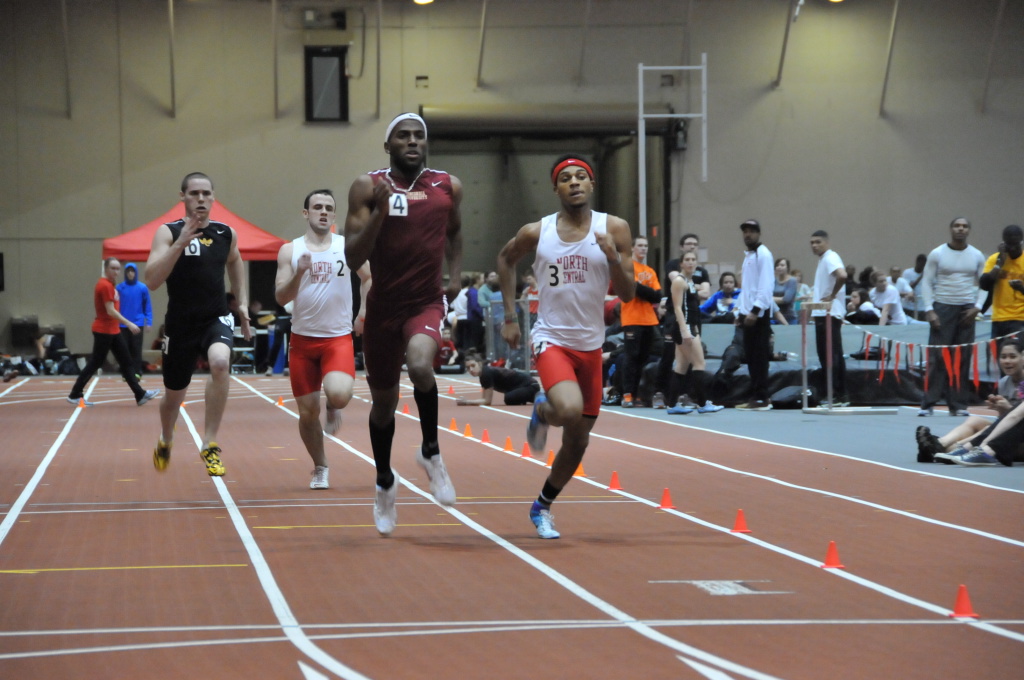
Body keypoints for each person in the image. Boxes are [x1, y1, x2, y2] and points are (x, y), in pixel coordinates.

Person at [497, 154, 634, 539]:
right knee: (569, 409)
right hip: (552, 339)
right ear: (556, 188)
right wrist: (510, 317)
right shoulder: (537, 232)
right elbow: (505, 261)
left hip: (590, 346)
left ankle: (541, 506)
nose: (574, 183)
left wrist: (613, 258)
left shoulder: (615, 229)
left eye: (581, 177)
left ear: (591, 185)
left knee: (577, 443)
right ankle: (545, 407)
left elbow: (627, 294)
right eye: (566, 178)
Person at [344, 112, 463, 536]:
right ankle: (384, 483)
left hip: (425, 303)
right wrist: (378, 212)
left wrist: (454, 275)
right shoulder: (367, 186)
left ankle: (431, 451)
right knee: (382, 405)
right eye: (403, 136)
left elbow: (454, 232)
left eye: (418, 136)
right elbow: (352, 258)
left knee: (420, 364)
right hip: (382, 309)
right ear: (388, 145)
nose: (412, 141)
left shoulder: (447, 186)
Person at [145, 171, 251, 476]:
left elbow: (235, 260)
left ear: (213, 197)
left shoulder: (225, 233)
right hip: (180, 325)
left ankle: (209, 443)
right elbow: (152, 280)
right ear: (183, 197)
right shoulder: (167, 233)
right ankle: (166, 438)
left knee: (220, 363)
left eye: (206, 193)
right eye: (194, 193)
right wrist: (179, 244)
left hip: (215, 317)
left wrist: (241, 303)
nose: (201, 199)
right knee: (173, 395)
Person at [275, 189, 371, 490]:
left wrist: (363, 313)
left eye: (329, 208)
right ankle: (320, 465)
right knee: (307, 413)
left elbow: (369, 277)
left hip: (337, 339)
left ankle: (334, 405)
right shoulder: (290, 251)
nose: (323, 212)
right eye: (317, 207)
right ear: (306, 213)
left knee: (340, 395)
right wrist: (299, 273)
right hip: (302, 342)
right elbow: (281, 297)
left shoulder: (347, 247)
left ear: (334, 215)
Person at [66, 258, 160, 408]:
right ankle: (75, 393)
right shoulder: (104, 286)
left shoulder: (111, 285)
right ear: (106, 269)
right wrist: (129, 323)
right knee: (96, 362)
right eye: (113, 269)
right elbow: (110, 310)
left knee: (126, 361)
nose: (116, 272)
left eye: (118, 269)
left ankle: (140, 394)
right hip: (104, 330)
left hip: (113, 330)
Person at [918, 217, 986, 417]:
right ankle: (928, 403)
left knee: (962, 358)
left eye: (965, 226)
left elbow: (985, 285)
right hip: (942, 307)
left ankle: (958, 405)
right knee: (937, 357)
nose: (961, 229)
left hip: (966, 309)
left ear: (969, 231)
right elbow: (927, 282)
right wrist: (930, 310)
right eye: (957, 225)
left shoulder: (976, 255)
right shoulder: (937, 253)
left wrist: (977, 308)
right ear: (951, 229)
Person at [918, 338, 1024, 463]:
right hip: (1010, 432)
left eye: (1012, 357)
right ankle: (941, 442)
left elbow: (1016, 418)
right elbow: (1005, 420)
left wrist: (1008, 409)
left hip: (1017, 440)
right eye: (1003, 357)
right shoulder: (1003, 383)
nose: (1007, 361)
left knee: (986, 431)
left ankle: (948, 449)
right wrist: (1000, 409)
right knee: (976, 420)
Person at [667, 250, 723, 414]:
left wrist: (695, 327)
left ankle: (671, 404)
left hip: (691, 326)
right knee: (699, 364)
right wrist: (685, 330)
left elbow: (693, 306)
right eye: (687, 260)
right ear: (681, 264)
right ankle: (703, 403)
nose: (690, 262)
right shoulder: (679, 281)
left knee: (681, 367)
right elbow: (677, 307)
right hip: (684, 327)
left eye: (693, 260)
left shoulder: (690, 282)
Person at [735, 220, 775, 411]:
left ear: (759, 233)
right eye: (745, 232)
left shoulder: (763, 254)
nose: (747, 235)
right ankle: (755, 395)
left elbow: (765, 286)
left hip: (758, 314)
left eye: (751, 231)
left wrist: (755, 311)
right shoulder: (749, 256)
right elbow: (747, 289)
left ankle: (762, 398)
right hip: (748, 313)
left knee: (759, 357)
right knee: (751, 357)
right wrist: (740, 312)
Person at [619, 235, 663, 408]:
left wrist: (641, 289)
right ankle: (627, 394)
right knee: (631, 357)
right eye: (640, 245)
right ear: (632, 248)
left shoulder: (650, 270)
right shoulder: (627, 267)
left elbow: (657, 296)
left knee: (644, 358)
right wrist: (645, 291)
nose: (643, 248)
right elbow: (632, 287)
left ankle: (638, 394)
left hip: (649, 320)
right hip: (632, 318)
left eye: (646, 246)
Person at [810, 230, 850, 407]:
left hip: (828, 313)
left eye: (818, 242)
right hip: (823, 313)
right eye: (812, 243)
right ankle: (840, 395)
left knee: (829, 356)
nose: (814, 245)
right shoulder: (823, 260)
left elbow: (842, 275)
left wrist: (832, 296)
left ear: (826, 242)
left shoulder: (830, 257)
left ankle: (835, 395)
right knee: (831, 355)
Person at [979, 224, 1024, 342]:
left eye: (1016, 244)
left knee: (1018, 357)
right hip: (998, 318)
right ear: (1003, 243)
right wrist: (1000, 264)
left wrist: (1021, 289)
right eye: (1009, 245)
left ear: (1021, 241)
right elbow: (984, 284)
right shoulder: (995, 259)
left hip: (1020, 318)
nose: (1013, 248)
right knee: (1000, 358)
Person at [456, 353, 540, 406]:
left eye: (473, 366)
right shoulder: (482, 376)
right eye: (468, 367)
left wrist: (467, 402)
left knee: (509, 398)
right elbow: (484, 400)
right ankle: (530, 398)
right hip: (520, 388)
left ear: (480, 364)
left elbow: (487, 401)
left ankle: (539, 396)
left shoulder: (486, 373)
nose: (470, 370)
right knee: (510, 397)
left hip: (530, 386)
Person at [116, 262, 152, 379]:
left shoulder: (142, 288)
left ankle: (137, 372)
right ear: (125, 273)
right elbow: (115, 306)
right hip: (123, 324)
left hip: (138, 323)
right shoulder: (119, 288)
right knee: (124, 350)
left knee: (136, 349)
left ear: (136, 273)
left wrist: (149, 321)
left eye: (133, 271)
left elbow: (147, 306)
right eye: (128, 271)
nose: (130, 273)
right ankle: (126, 373)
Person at [664, 233, 711, 301]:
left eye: (695, 244)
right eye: (689, 244)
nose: (692, 247)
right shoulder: (673, 264)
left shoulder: (702, 271)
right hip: (675, 306)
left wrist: (688, 288)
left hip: (694, 308)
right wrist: (697, 287)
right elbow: (679, 284)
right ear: (681, 247)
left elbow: (706, 293)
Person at [901, 254, 927, 321]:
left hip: (922, 307)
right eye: (922, 264)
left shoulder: (928, 274)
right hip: (909, 307)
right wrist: (921, 277)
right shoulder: (907, 272)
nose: (923, 267)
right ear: (917, 262)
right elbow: (908, 288)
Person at [773, 257, 798, 324]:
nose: (779, 267)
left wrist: (771, 299)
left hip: (789, 317)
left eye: (782, 265)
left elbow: (786, 299)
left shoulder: (792, 281)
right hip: (775, 317)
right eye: (777, 265)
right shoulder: (774, 281)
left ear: (787, 268)